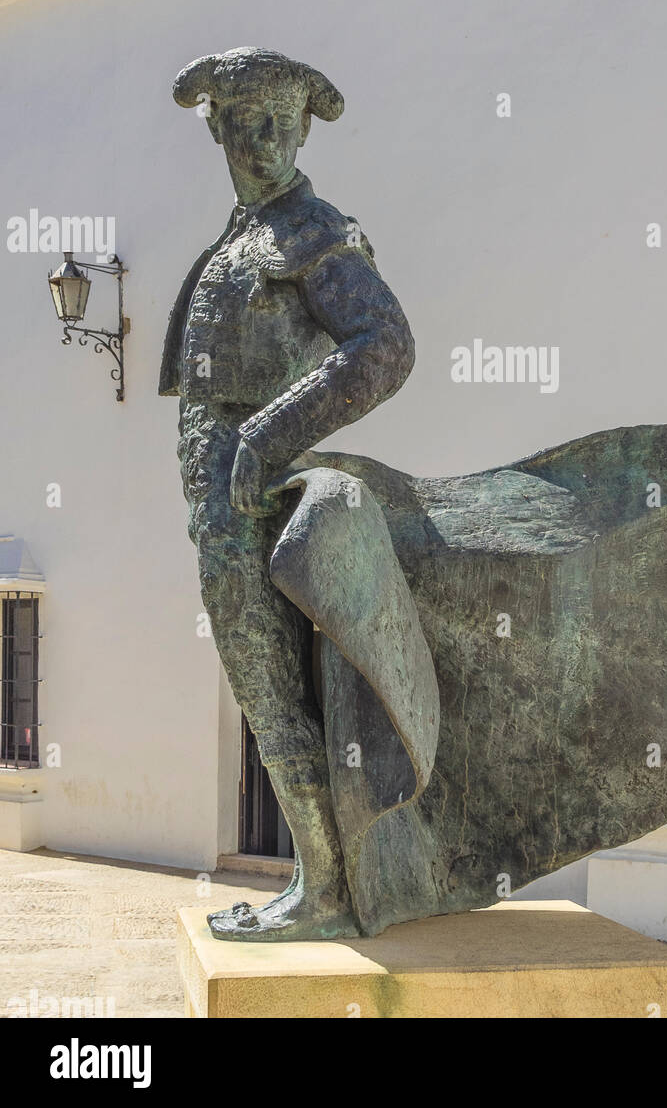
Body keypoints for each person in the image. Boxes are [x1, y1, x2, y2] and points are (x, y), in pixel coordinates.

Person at [159, 47, 416, 939]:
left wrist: (267, 433)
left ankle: (325, 894)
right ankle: (326, 885)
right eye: (244, 121)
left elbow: (383, 346)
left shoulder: (310, 232)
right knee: (265, 686)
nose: (263, 140)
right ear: (219, 129)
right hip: (222, 505)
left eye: (280, 121)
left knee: (274, 690)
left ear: (304, 129)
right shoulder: (245, 235)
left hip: (251, 498)